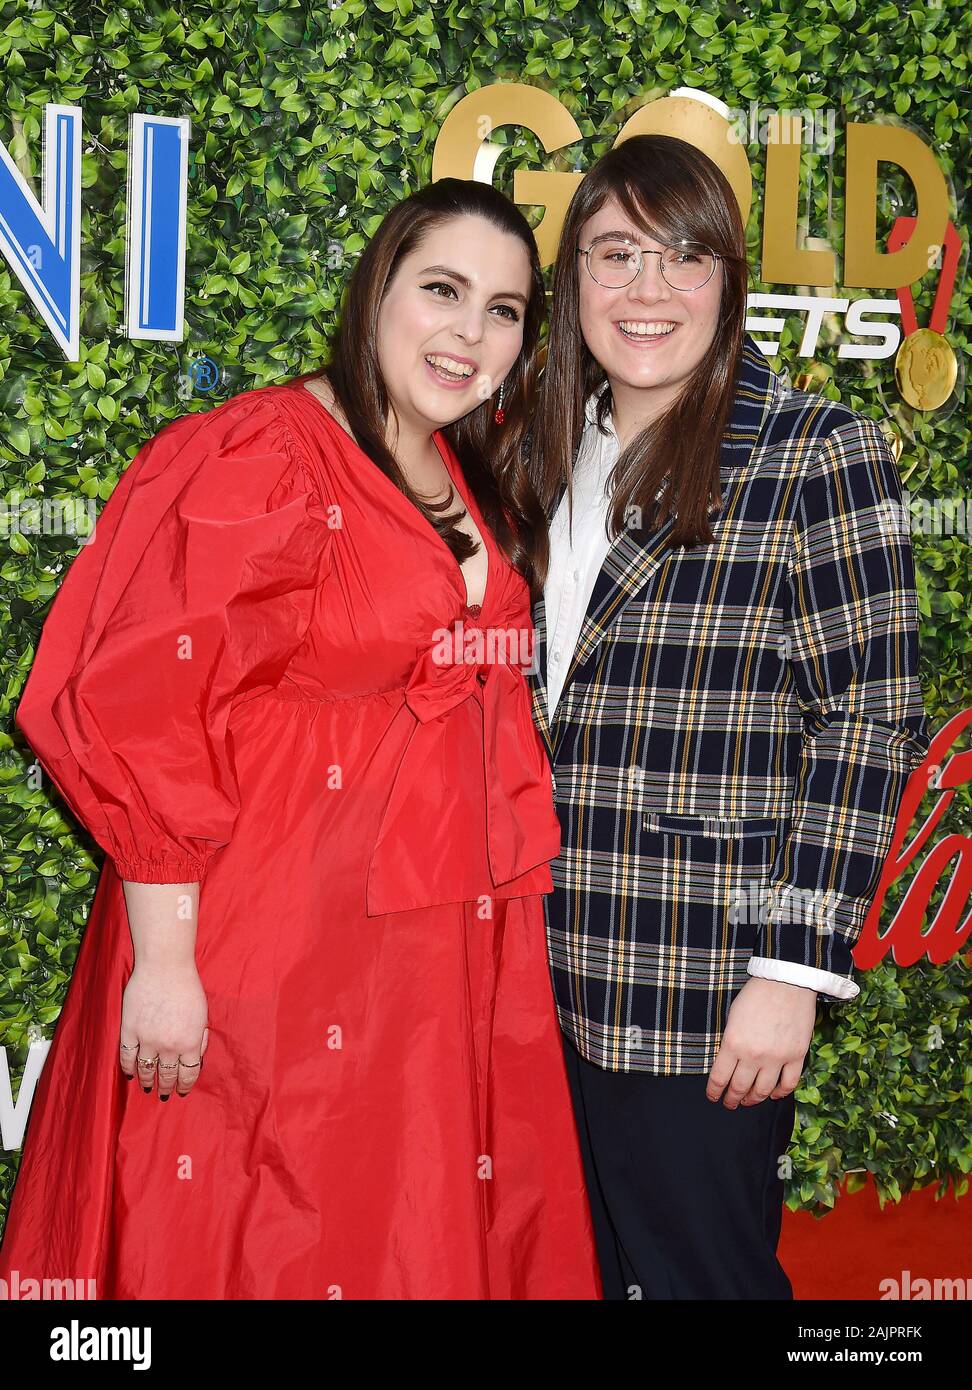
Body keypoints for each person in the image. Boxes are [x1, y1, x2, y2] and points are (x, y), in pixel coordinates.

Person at [0, 178, 600, 1300]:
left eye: (507, 309)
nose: (473, 333)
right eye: (443, 289)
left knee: (393, 1237)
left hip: (423, 961)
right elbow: (135, 703)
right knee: (244, 1230)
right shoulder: (265, 452)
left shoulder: (467, 466)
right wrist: (168, 964)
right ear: (379, 286)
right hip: (261, 945)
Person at [528, 134, 930, 1299]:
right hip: (536, 976)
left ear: (729, 281)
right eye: (614, 255)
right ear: (575, 283)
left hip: (702, 986)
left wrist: (795, 967)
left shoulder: (814, 450)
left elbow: (867, 717)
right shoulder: (543, 449)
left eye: (683, 257)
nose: (647, 291)